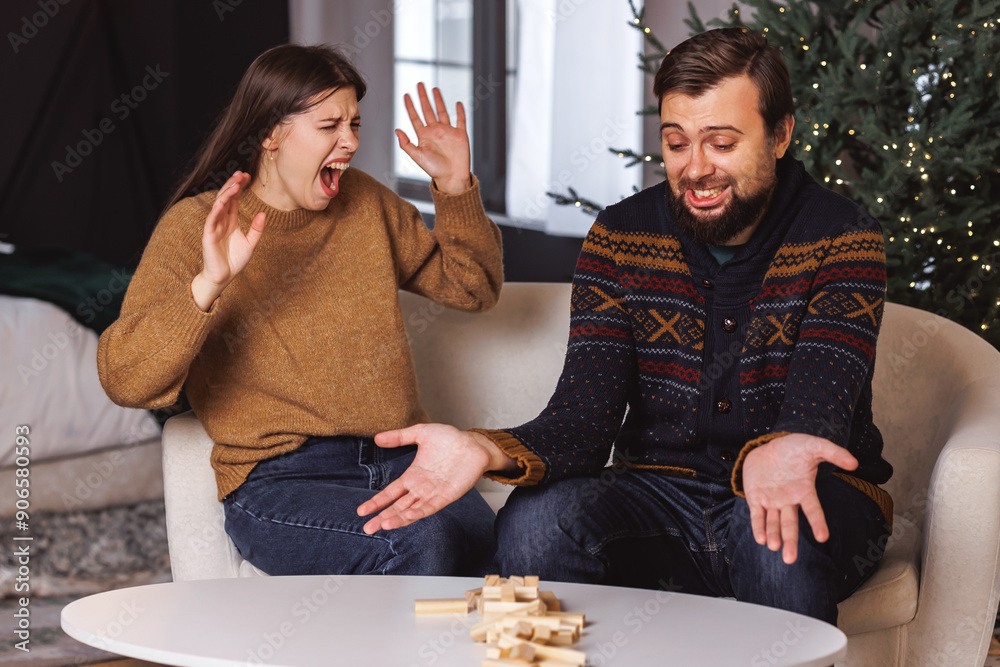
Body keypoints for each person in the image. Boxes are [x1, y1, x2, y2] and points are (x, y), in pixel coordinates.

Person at [358, 27, 893, 624]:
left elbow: (824, 399)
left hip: (812, 492)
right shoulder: (620, 236)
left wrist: (785, 447)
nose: (696, 169)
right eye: (677, 142)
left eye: (721, 142)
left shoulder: (843, 235)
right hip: (660, 496)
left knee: (775, 528)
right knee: (535, 522)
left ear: (780, 135)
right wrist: (484, 448)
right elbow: (582, 421)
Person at [97, 44, 503, 577]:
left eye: (355, 123)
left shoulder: (366, 203)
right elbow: (126, 380)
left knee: (501, 540)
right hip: (281, 480)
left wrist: (454, 187)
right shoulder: (198, 225)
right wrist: (209, 283)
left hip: (401, 459)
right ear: (270, 133)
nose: (351, 142)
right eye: (330, 124)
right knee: (423, 542)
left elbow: (473, 287)